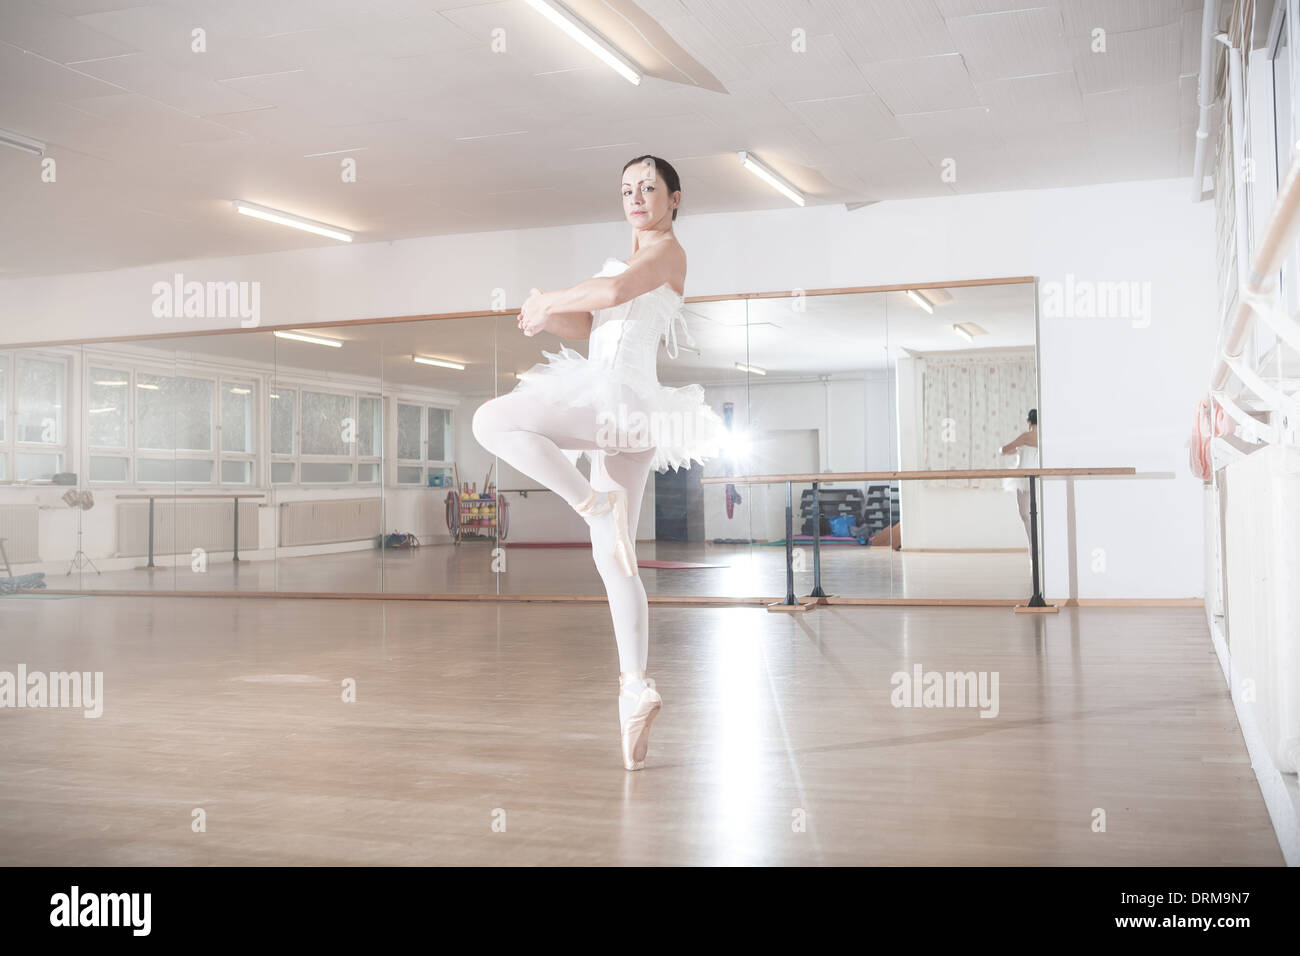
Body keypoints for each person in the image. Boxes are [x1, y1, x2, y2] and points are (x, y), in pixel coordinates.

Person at [471, 155, 726, 771]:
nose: (636, 197)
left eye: (648, 188)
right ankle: (634, 689)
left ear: (673, 198)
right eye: (627, 190)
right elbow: (593, 322)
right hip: (626, 417)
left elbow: (610, 293)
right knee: (614, 558)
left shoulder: (666, 252)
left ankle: (591, 503)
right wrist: (544, 313)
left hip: (623, 402)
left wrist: (554, 295)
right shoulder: (635, 260)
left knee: (489, 421)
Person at [998, 409, 1040, 545]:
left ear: (1028, 421)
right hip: (1040, 476)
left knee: (1025, 514)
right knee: (1032, 514)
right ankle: (1036, 546)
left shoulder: (1025, 436)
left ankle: (1032, 546)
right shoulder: (1043, 436)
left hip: (1023, 476)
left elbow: (1004, 449)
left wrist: (1005, 450)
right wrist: (1018, 451)